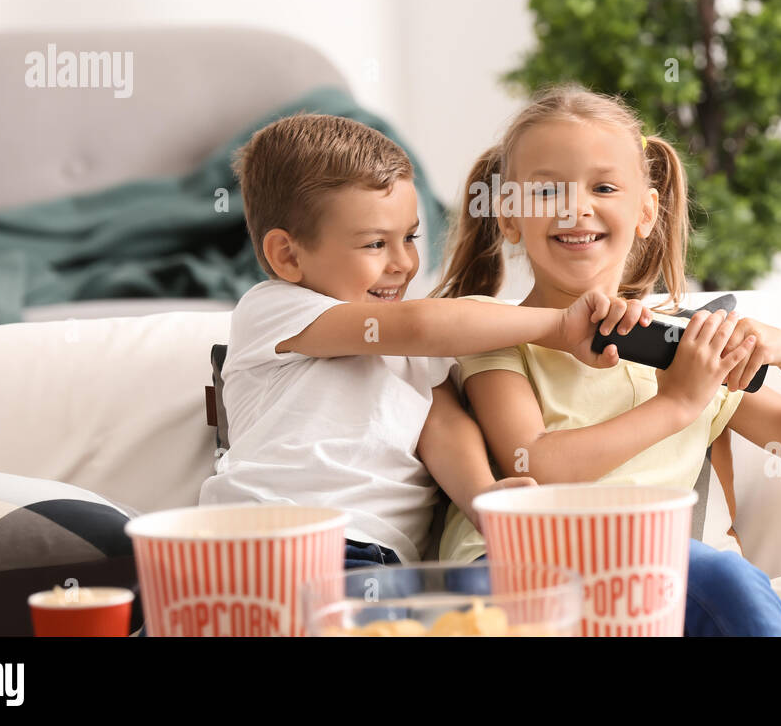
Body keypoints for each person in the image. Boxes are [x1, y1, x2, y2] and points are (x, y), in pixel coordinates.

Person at [434, 84, 781, 636]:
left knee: (725, 578)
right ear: (509, 219)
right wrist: (679, 403)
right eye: (545, 193)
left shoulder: (688, 349)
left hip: (645, 581)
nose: (575, 207)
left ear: (646, 212)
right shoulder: (494, 332)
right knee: (718, 576)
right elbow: (534, 462)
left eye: (604, 187)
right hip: (518, 569)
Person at [197, 112, 652, 571]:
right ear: (287, 255)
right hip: (255, 535)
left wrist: (484, 502)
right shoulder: (275, 310)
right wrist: (555, 327)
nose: (404, 264)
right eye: (375, 244)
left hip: (370, 558)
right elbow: (418, 325)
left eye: (410, 237)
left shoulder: (418, 350)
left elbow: (445, 429)